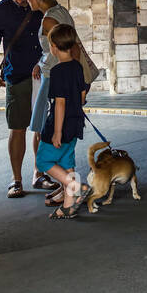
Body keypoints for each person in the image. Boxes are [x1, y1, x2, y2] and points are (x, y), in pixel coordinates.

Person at [0, 0, 44, 199]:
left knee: (40, 127)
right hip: (16, 74)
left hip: (43, 75)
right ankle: (16, 179)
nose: (21, 2)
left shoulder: (41, 7)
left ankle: (40, 174)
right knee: (17, 127)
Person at [25, 0, 79, 202]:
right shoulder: (60, 11)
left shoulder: (49, 19)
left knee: (46, 130)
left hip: (53, 78)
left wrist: (48, 67)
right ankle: (64, 185)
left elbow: (65, 49)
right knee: (62, 136)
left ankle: (71, 186)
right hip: (54, 74)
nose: (27, 1)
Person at [39, 24, 92, 219]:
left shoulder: (58, 71)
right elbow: (83, 93)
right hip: (76, 122)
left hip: (61, 124)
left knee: (43, 159)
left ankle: (77, 186)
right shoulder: (76, 66)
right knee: (66, 162)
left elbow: (59, 103)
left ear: (53, 46)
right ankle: (68, 206)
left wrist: (57, 132)